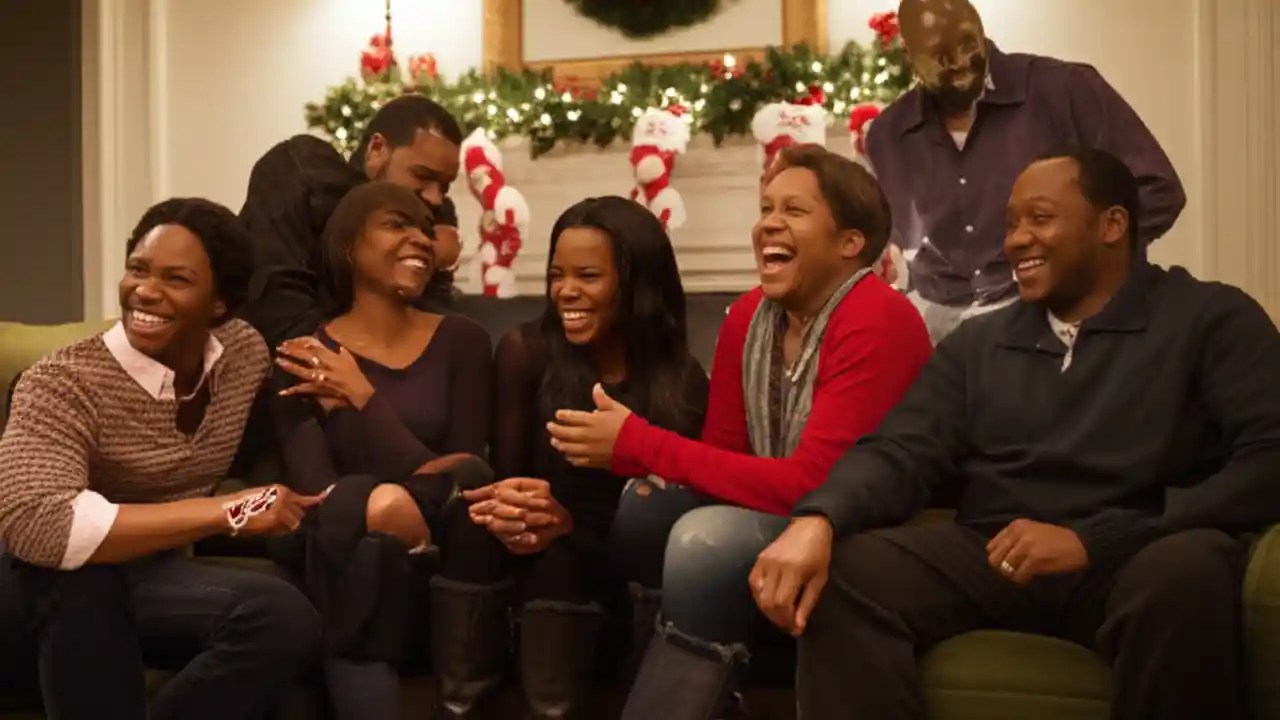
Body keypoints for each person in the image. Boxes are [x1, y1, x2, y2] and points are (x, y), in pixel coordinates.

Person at [752, 148, 1280, 720]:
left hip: (1138, 551)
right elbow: (902, 448)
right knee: (849, 573)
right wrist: (820, 518)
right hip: (995, 554)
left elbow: (1269, 459)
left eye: (1040, 218)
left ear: (1112, 225)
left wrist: (1092, 541)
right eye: (1011, 224)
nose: (1016, 240)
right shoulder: (982, 343)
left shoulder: (1209, 319)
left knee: (1189, 574)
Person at [540, 145, 933, 719]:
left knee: (706, 542)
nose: (769, 222)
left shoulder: (879, 316)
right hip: (783, 507)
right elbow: (723, 457)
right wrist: (639, 459)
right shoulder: (748, 317)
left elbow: (817, 484)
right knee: (648, 504)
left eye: (795, 210)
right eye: (766, 206)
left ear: (850, 244)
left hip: (856, 524)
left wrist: (639, 443)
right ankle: (685, 685)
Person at [0, 198, 323, 720]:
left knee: (284, 618)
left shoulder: (242, 355)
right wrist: (228, 512)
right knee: (80, 579)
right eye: (137, 270)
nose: (145, 291)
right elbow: (40, 528)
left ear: (220, 303)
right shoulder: (61, 381)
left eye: (177, 279)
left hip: (148, 573)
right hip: (32, 585)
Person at [450, 196, 710, 719]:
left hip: (626, 568)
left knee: (570, 557)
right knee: (477, 520)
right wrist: (525, 510)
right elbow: (511, 476)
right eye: (557, 274)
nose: (567, 291)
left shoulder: (680, 379)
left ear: (636, 285)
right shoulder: (525, 353)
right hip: (537, 552)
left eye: (588, 275)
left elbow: (670, 509)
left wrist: (569, 522)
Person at [269, 182, 493, 720]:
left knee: (396, 515)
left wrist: (361, 399)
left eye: (425, 226)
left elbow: (464, 481)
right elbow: (320, 500)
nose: (419, 238)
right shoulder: (303, 359)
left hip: (443, 572)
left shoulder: (463, 340)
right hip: (345, 559)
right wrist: (386, 506)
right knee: (365, 532)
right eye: (397, 224)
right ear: (348, 246)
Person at [867, 0, 1185, 343]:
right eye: (940, 56)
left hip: (1057, 323)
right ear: (909, 55)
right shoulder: (888, 134)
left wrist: (1085, 269)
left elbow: (1158, 190)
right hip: (938, 332)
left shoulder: (1065, 89)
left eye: (968, 43)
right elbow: (897, 243)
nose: (959, 62)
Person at [241, 94, 466, 350]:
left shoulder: (435, 215)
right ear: (377, 150)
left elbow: (429, 323)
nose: (435, 197)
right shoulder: (303, 172)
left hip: (389, 365)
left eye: (445, 186)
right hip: (289, 359)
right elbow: (276, 300)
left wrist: (436, 266)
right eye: (422, 176)